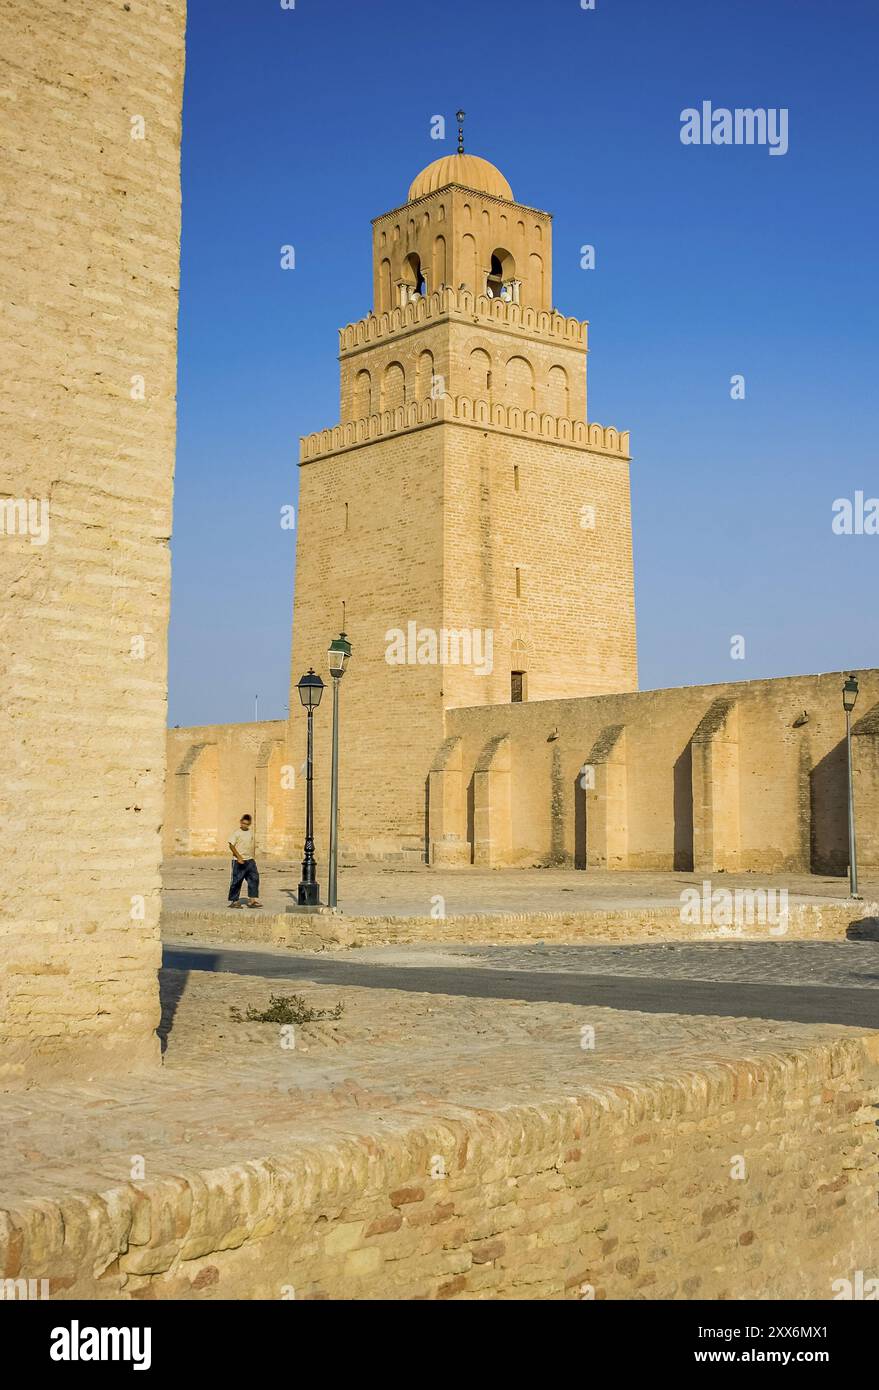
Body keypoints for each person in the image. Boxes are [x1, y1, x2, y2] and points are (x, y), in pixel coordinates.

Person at [227, 813, 261, 908]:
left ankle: (252, 901)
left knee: (254, 879)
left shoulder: (250, 833)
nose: (244, 825)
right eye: (243, 823)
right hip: (238, 861)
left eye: (247, 824)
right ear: (241, 822)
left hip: (250, 861)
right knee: (237, 880)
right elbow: (231, 845)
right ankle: (234, 901)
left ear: (249, 824)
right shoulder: (236, 833)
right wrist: (238, 857)